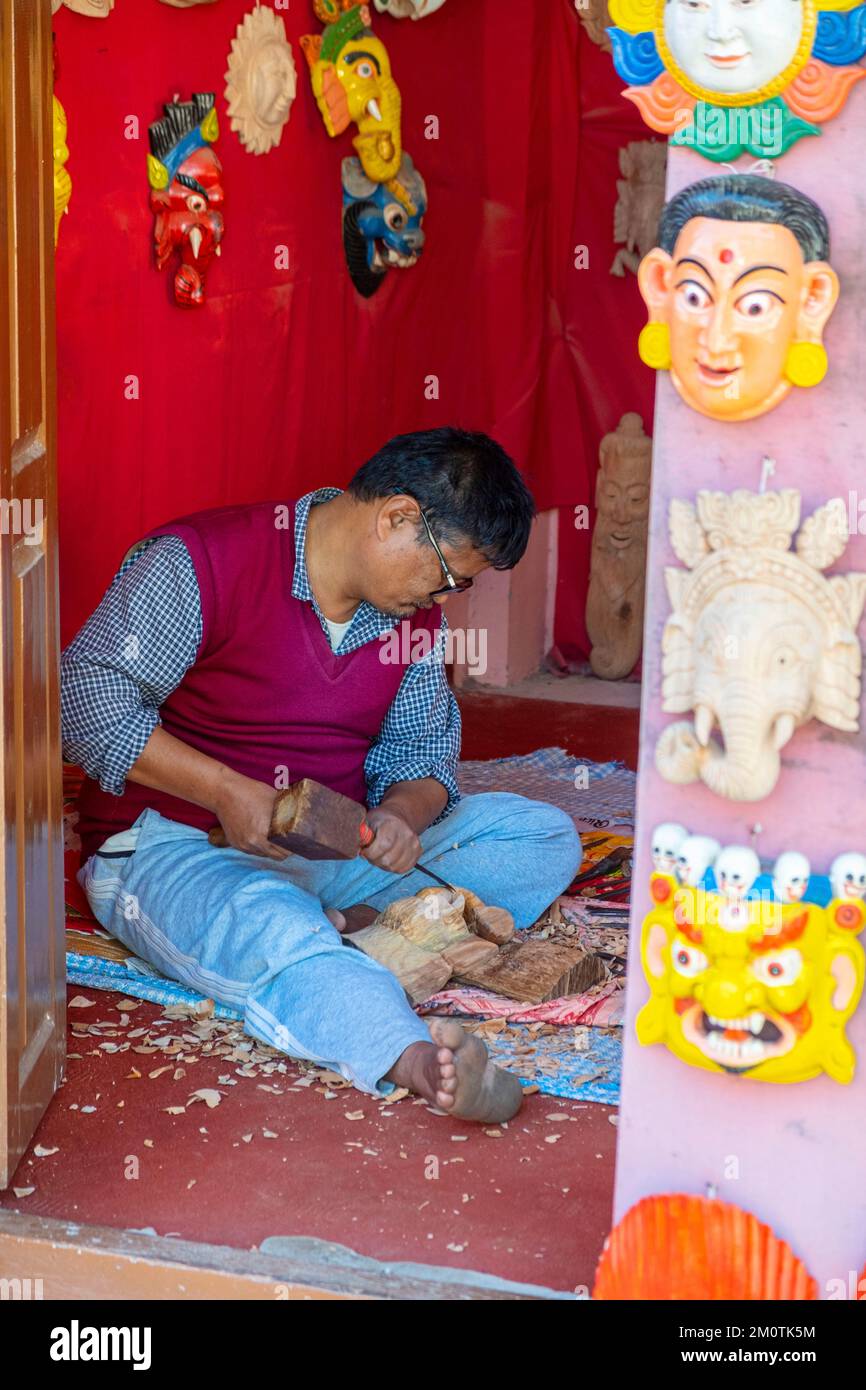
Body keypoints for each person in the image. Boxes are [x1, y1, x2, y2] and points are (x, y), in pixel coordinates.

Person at [62, 427, 582, 1123]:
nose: (447, 598)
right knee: (275, 927)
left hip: (334, 852)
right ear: (398, 517)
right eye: (450, 574)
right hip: (174, 846)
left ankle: (356, 928)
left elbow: (423, 755)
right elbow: (81, 699)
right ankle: (416, 1058)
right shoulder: (200, 563)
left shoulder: (412, 624)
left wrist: (403, 815)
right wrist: (224, 792)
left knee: (538, 834)